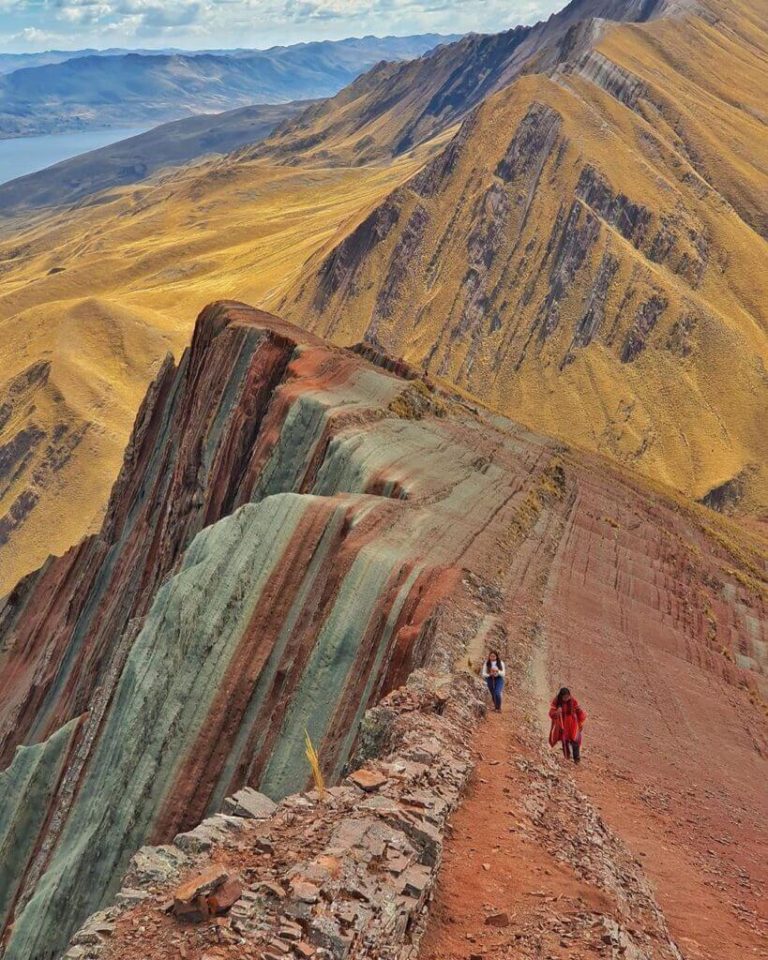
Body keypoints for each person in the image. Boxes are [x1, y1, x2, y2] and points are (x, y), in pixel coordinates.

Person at [549, 687, 586, 763]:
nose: (567, 699)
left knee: (575, 740)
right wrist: (557, 712)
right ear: (561, 696)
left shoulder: (573, 701)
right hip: (562, 723)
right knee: (564, 740)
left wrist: (581, 721)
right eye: (565, 697)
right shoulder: (556, 701)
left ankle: (576, 759)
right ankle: (567, 757)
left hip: (572, 723)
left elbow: (579, 712)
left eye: (568, 696)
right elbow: (551, 713)